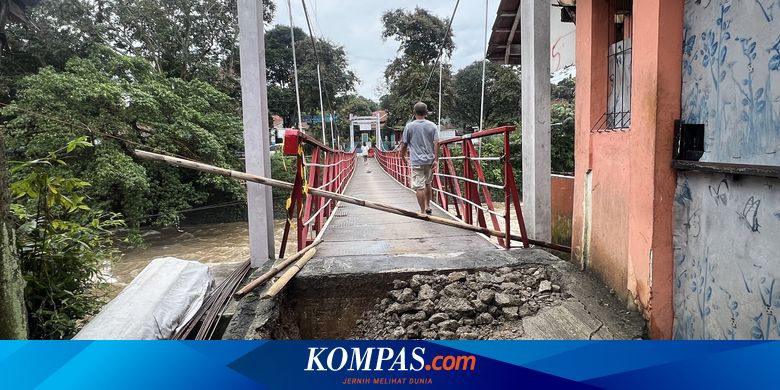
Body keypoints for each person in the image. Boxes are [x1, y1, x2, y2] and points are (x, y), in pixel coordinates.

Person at [399, 102, 439, 215]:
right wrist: (436, 159)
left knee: (419, 186)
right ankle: (428, 206)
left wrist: (402, 156)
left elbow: (404, 144)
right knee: (428, 183)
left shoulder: (409, 126)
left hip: (416, 161)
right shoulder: (432, 125)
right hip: (430, 160)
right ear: (426, 113)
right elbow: (437, 143)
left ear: (414, 113)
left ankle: (422, 211)